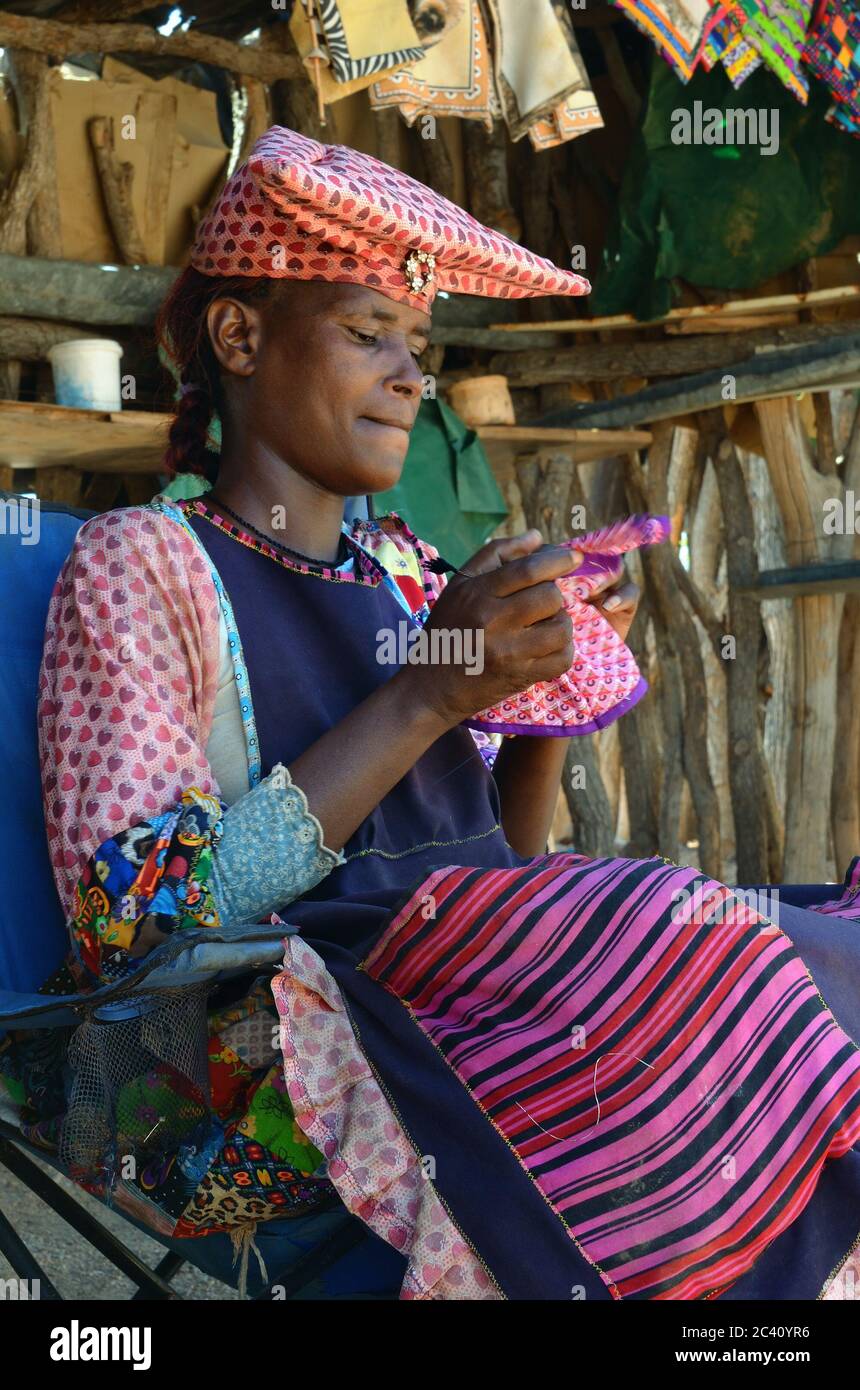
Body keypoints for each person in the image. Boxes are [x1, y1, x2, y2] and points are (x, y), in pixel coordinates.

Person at [17, 127, 860, 1300]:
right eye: (370, 334)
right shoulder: (144, 565)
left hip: (454, 989)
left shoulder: (412, 572)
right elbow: (134, 922)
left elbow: (505, 876)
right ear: (240, 336)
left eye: (417, 344)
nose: (413, 374)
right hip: (227, 1055)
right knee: (705, 951)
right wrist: (428, 691)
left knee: (774, 953)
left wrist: (532, 713)